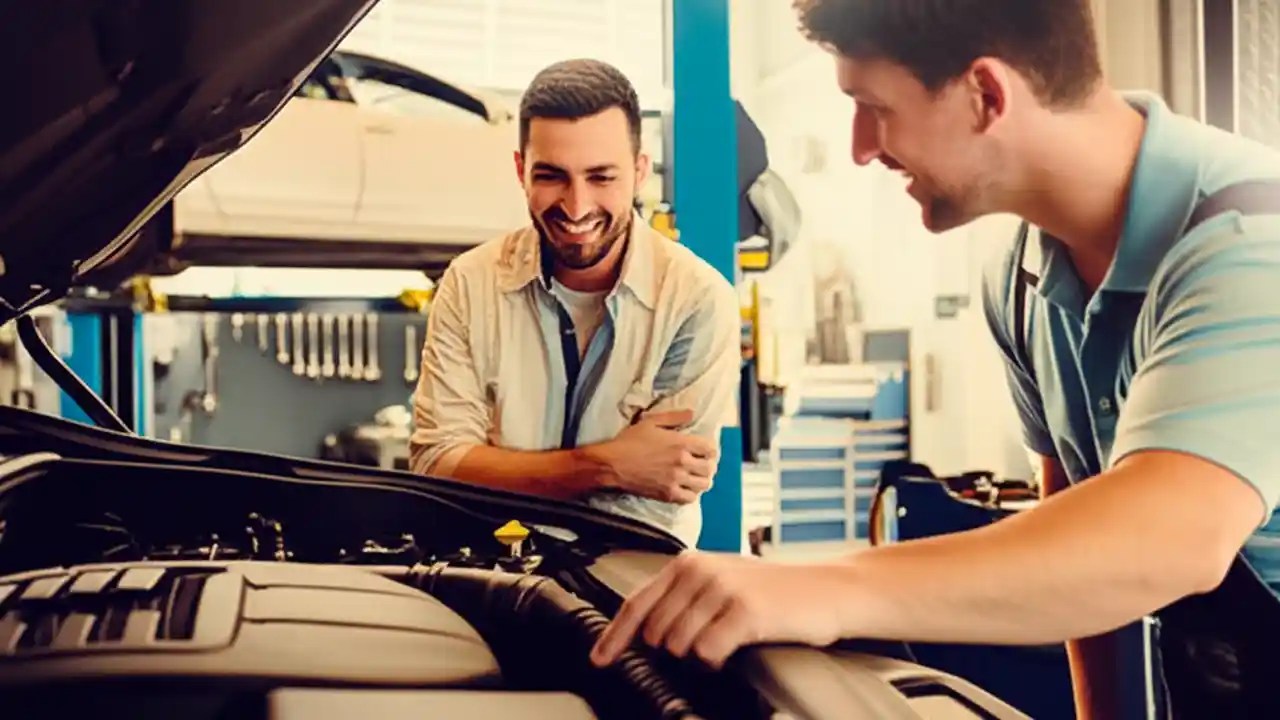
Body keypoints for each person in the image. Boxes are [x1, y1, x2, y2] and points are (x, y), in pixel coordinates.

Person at [590, 0, 1280, 715]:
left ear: (987, 94)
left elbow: (1168, 538)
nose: (861, 146)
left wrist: (824, 591)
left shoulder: (1251, 243)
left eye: (872, 106)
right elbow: (1080, 546)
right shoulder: (1020, 281)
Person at [408, 58, 741, 548]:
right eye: (552, 176)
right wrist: (609, 464)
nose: (577, 206)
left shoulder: (696, 299)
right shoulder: (469, 283)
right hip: (491, 576)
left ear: (639, 172)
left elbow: (663, 487)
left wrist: (500, 470)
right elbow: (438, 465)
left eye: (601, 177)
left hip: (633, 581)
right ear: (521, 169)